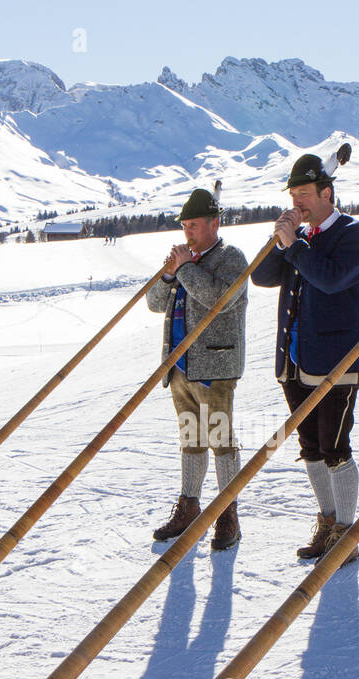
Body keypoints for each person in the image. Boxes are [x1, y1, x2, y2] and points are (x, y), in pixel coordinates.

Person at [250, 146, 359, 565]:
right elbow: (262, 276)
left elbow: (331, 278)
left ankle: (347, 532)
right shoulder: (298, 239)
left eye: (304, 194)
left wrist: (296, 247)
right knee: (310, 446)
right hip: (295, 358)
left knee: (336, 445)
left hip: (337, 360)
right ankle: (327, 520)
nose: (297, 203)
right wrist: (280, 240)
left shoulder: (354, 234)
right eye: (292, 196)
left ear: (327, 193)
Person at [147, 183, 249, 550]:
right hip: (180, 367)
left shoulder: (231, 258)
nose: (186, 231)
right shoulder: (185, 262)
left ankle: (228, 514)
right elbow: (155, 303)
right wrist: (169, 274)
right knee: (191, 437)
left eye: (193, 224)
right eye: (184, 225)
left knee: (221, 439)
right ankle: (189, 505)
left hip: (215, 368)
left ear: (213, 224)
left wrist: (186, 269)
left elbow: (216, 299)